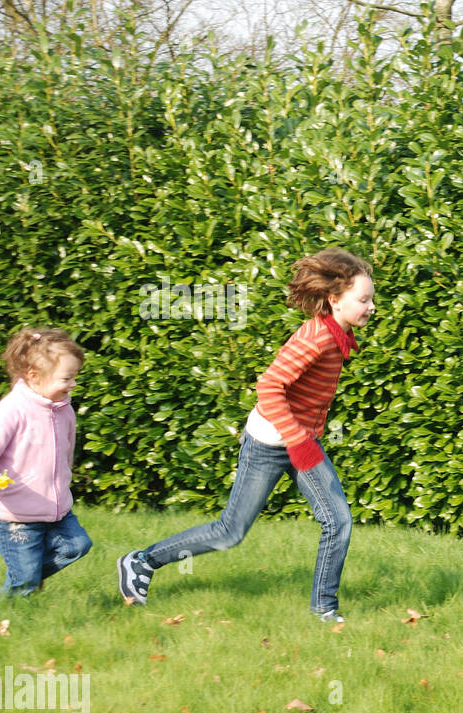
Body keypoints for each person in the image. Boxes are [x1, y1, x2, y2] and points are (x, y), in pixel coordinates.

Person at [117, 247, 374, 622]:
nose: (371, 307)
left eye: (371, 299)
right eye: (363, 299)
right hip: (271, 442)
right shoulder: (316, 337)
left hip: (301, 440)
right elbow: (269, 386)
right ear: (335, 300)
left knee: (337, 520)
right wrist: (297, 439)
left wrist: (303, 439)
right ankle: (141, 561)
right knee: (230, 531)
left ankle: (324, 609)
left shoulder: (337, 335)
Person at [0, 328, 92, 598]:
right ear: (34, 377)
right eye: (66, 378)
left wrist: (65, 481)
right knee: (26, 581)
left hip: (56, 507)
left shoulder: (64, 409)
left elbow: (66, 450)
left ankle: (26, 577)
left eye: (75, 377)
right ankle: (9, 611)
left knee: (78, 545)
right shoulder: (12, 411)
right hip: (17, 514)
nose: (73, 384)